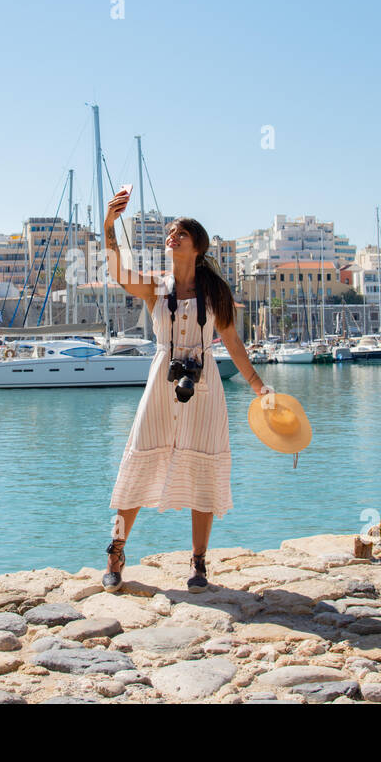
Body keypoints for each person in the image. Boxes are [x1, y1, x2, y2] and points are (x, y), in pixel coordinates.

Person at [101, 188, 271, 592]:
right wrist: (109, 225)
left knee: (203, 470)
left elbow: (232, 344)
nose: (172, 236)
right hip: (161, 384)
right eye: (170, 232)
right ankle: (115, 553)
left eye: (181, 233)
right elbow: (118, 272)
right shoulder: (157, 288)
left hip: (205, 387)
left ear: (197, 247)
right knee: (138, 464)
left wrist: (259, 387)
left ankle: (198, 563)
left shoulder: (217, 294)